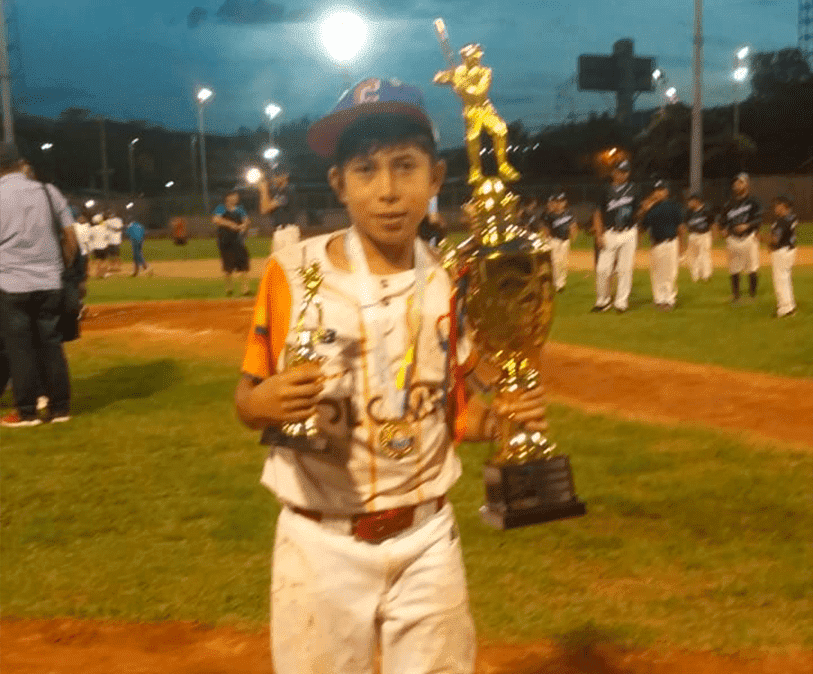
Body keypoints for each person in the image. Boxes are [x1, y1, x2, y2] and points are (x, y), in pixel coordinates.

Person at [234, 78, 548, 674]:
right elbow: (246, 401)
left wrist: (505, 421)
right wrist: (264, 402)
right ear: (339, 184)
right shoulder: (290, 274)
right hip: (319, 542)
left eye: (405, 167)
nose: (387, 191)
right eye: (366, 170)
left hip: (427, 540)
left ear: (436, 177)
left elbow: (452, 414)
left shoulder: (456, 282)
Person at [0, 141, 77, 427]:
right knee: (51, 345)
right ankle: (60, 409)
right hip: (49, 281)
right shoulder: (48, 191)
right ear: (20, 163)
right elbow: (71, 239)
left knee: (20, 348)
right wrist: (61, 269)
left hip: (9, 283)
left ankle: (27, 412)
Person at [592, 159, 641, 313]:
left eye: (626, 171)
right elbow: (598, 213)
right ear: (613, 172)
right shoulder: (605, 190)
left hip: (628, 232)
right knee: (602, 269)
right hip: (610, 232)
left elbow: (638, 213)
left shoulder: (634, 189)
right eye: (620, 171)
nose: (623, 174)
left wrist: (638, 231)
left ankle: (621, 302)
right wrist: (599, 235)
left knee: (625, 269)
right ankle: (603, 301)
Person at [639, 180, 683, 311]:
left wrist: (682, 246)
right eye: (657, 190)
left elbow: (680, 227)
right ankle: (659, 299)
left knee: (670, 273)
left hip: (670, 242)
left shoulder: (674, 206)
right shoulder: (650, 209)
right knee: (657, 273)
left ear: (666, 192)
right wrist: (643, 209)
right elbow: (642, 226)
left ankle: (669, 300)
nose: (659, 193)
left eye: (661, 190)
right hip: (656, 245)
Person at [720, 173, 763, 305]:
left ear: (747, 185)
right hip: (733, 238)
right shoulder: (729, 203)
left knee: (752, 267)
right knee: (734, 268)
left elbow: (759, 219)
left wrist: (748, 226)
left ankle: (752, 295)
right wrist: (724, 229)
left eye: (741, 182)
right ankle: (736, 296)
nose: (737, 185)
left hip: (749, 237)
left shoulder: (753, 202)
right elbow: (722, 220)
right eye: (736, 183)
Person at [212, 190, 251, 296]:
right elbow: (216, 219)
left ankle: (245, 289)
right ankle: (229, 289)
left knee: (243, 265)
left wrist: (244, 225)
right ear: (227, 198)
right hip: (225, 241)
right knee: (228, 267)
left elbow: (246, 220)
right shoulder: (221, 208)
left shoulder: (240, 209)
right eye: (233, 196)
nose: (235, 198)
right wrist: (231, 224)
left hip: (238, 241)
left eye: (236, 196)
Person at [542, 189, 578, 292]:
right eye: (557, 201)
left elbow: (573, 225)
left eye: (561, 201)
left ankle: (561, 283)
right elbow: (546, 228)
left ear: (565, 202)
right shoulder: (549, 215)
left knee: (564, 263)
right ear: (554, 203)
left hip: (565, 241)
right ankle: (556, 284)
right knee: (555, 262)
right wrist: (546, 239)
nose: (559, 203)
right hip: (554, 240)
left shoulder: (569, 212)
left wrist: (573, 233)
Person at [768, 195, 797, 318]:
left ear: (783, 206)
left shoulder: (782, 221)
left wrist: (762, 238)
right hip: (789, 250)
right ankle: (790, 305)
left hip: (781, 252)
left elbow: (775, 239)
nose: (775, 208)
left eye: (777, 205)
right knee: (786, 279)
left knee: (780, 280)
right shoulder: (791, 217)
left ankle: (785, 308)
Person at [682, 193, 715, 283]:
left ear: (696, 201)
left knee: (704, 255)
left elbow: (712, 223)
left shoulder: (706, 211)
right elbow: (685, 226)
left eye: (690, 202)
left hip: (704, 235)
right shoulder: (688, 213)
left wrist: (713, 236)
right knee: (693, 257)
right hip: (692, 236)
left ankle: (706, 275)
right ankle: (695, 276)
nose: (689, 204)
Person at [104, 209, 124, 273]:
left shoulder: (109, 221)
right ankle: (115, 267)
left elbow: (119, 229)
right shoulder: (118, 220)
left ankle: (114, 267)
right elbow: (120, 228)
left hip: (112, 240)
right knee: (114, 255)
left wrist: (111, 228)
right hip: (114, 240)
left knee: (113, 255)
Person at [89, 213, 109, 278]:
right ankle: (104, 274)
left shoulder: (92, 228)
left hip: (96, 246)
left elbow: (90, 237)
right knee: (105, 261)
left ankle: (97, 274)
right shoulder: (104, 228)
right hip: (104, 246)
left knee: (98, 261)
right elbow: (107, 236)